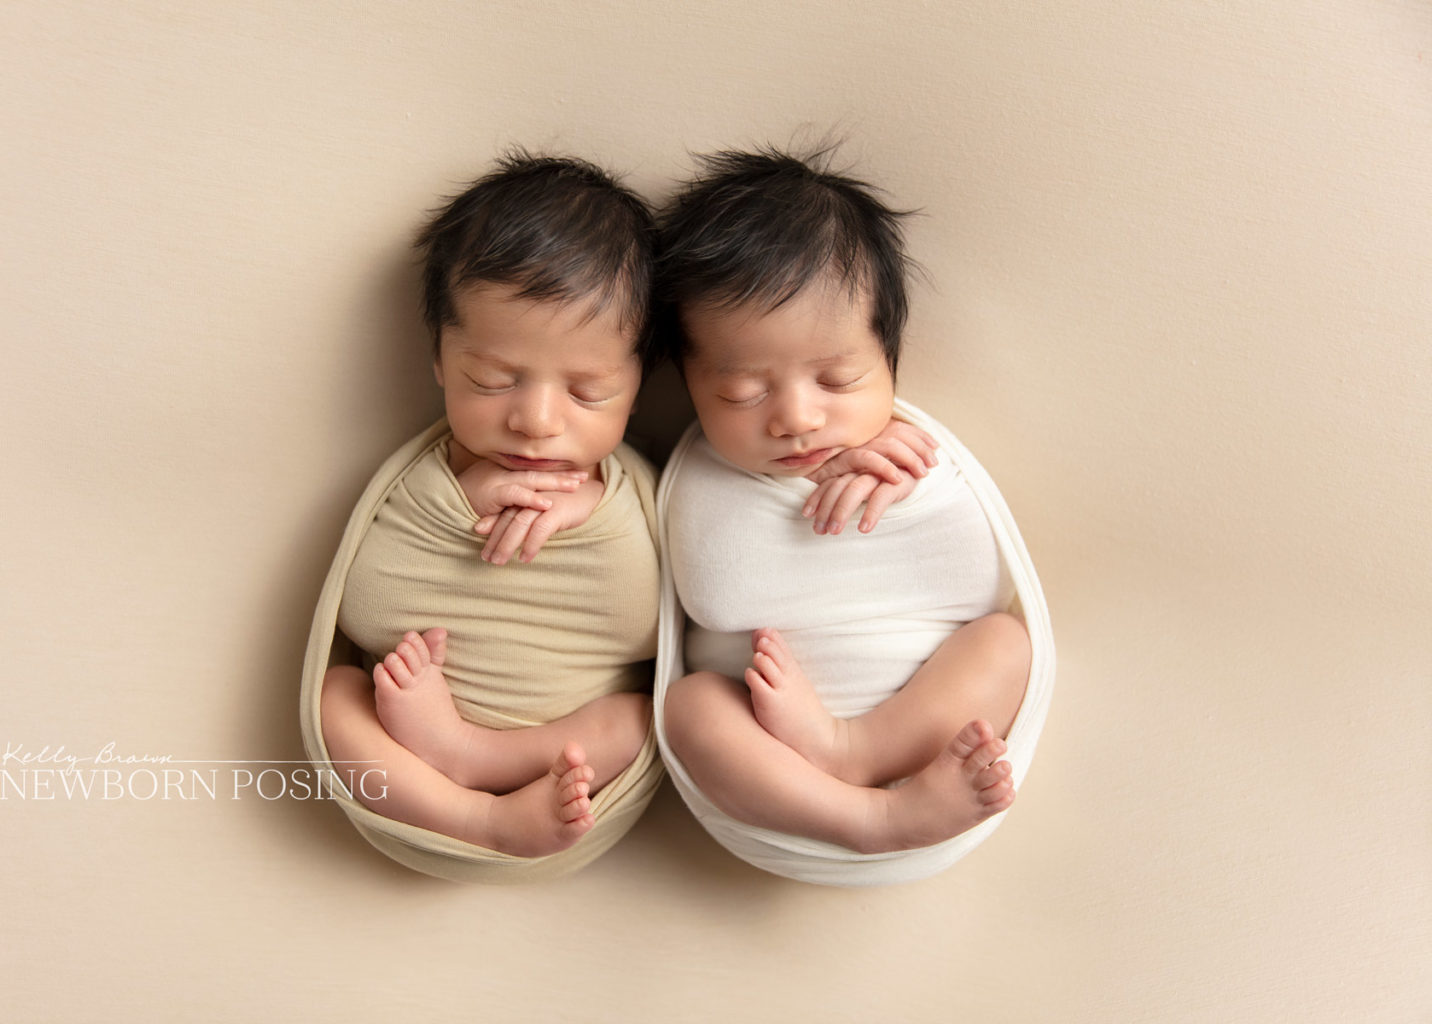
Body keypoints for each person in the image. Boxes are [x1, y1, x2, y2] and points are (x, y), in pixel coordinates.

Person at [655, 148, 1032, 856]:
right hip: (769, 754)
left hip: (924, 730)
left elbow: (981, 583)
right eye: (742, 392)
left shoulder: (912, 456)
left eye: (836, 380)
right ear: (688, 383)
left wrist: (911, 477)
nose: (796, 418)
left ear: (890, 358)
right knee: (691, 711)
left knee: (1006, 642)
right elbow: (712, 594)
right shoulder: (697, 475)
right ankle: (869, 820)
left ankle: (857, 752)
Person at [318, 153, 659, 859]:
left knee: (650, 718)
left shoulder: (635, 496)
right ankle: (475, 817)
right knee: (334, 700)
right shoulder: (422, 480)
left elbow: (653, 630)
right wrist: (452, 508)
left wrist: (595, 512)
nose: (536, 420)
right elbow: (365, 610)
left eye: (587, 391)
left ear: (640, 382)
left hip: (558, 745)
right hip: (407, 730)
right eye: (493, 379)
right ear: (441, 359)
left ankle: (475, 759)